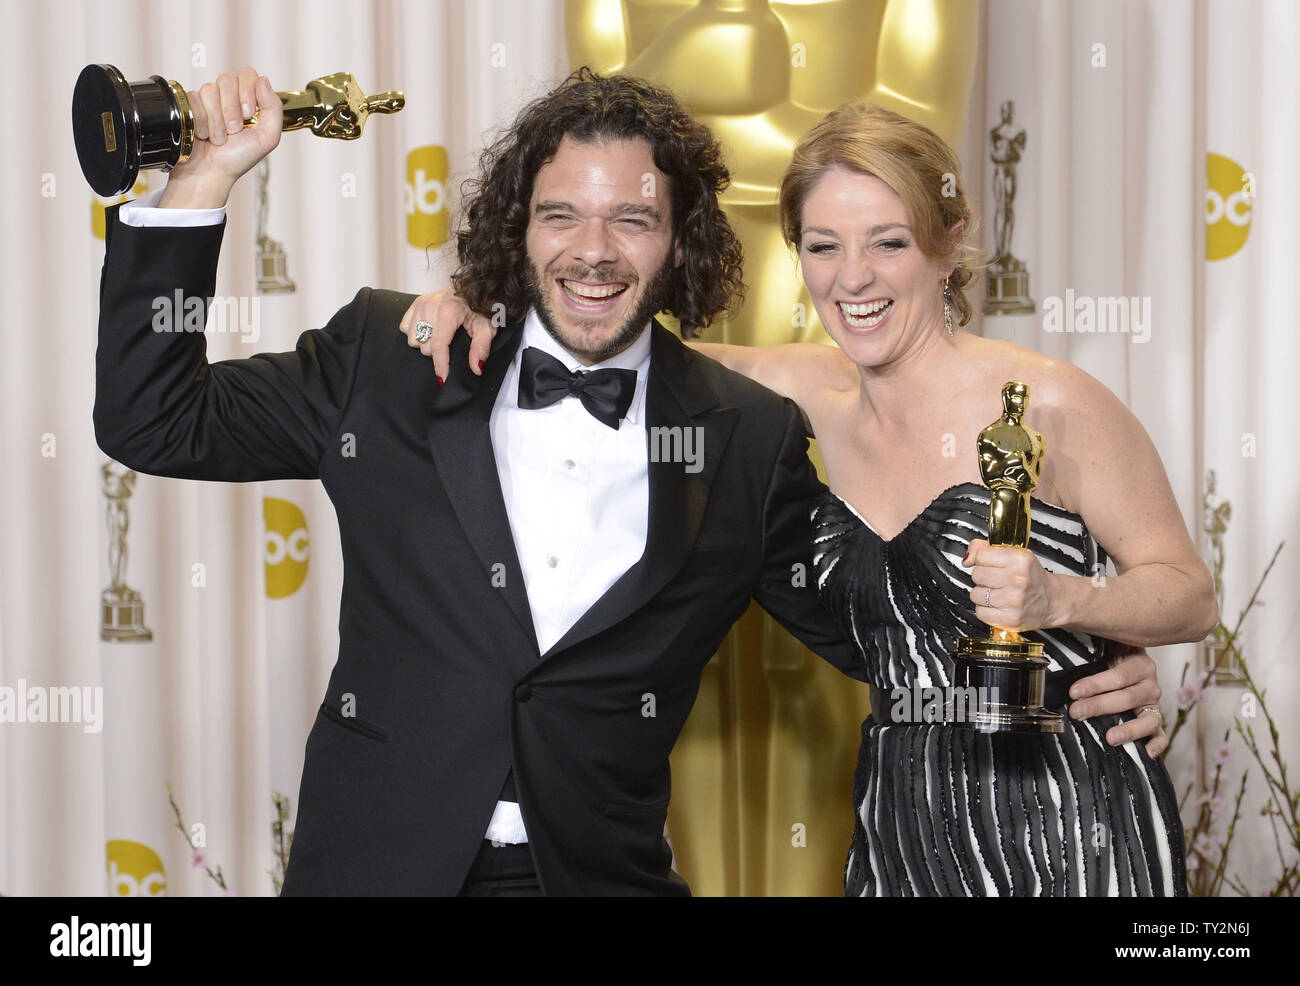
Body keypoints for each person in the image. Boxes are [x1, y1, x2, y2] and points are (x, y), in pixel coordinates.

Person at [96, 64, 1167, 896]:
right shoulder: (395, 358)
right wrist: (203, 177)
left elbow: (884, 621)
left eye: (634, 219)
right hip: (373, 870)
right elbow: (155, 416)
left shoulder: (744, 437)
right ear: (517, 229)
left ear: (682, 241)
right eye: (560, 214)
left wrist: (1091, 663)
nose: (592, 251)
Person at [402, 99, 1201, 896]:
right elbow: (599, 339)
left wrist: (1067, 603)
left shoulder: (1051, 402)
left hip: (1064, 806)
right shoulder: (791, 391)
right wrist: (478, 307)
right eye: (824, 246)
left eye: (888, 243)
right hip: (905, 813)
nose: (853, 278)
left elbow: (1189, 593)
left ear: (947, 245)